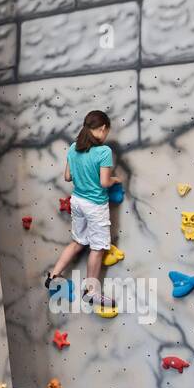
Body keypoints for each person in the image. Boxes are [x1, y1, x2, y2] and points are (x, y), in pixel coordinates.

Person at [44, 110, 121, 309]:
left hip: (77, 201)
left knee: (78, 241)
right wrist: (115, 179)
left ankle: (53, 276)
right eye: (107, 131)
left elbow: (67, 177)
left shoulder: (73, 148)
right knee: (97, 247)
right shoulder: (103, 152)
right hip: (95, 205)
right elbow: (104, 182)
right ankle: (92, 291)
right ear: (103, 128)